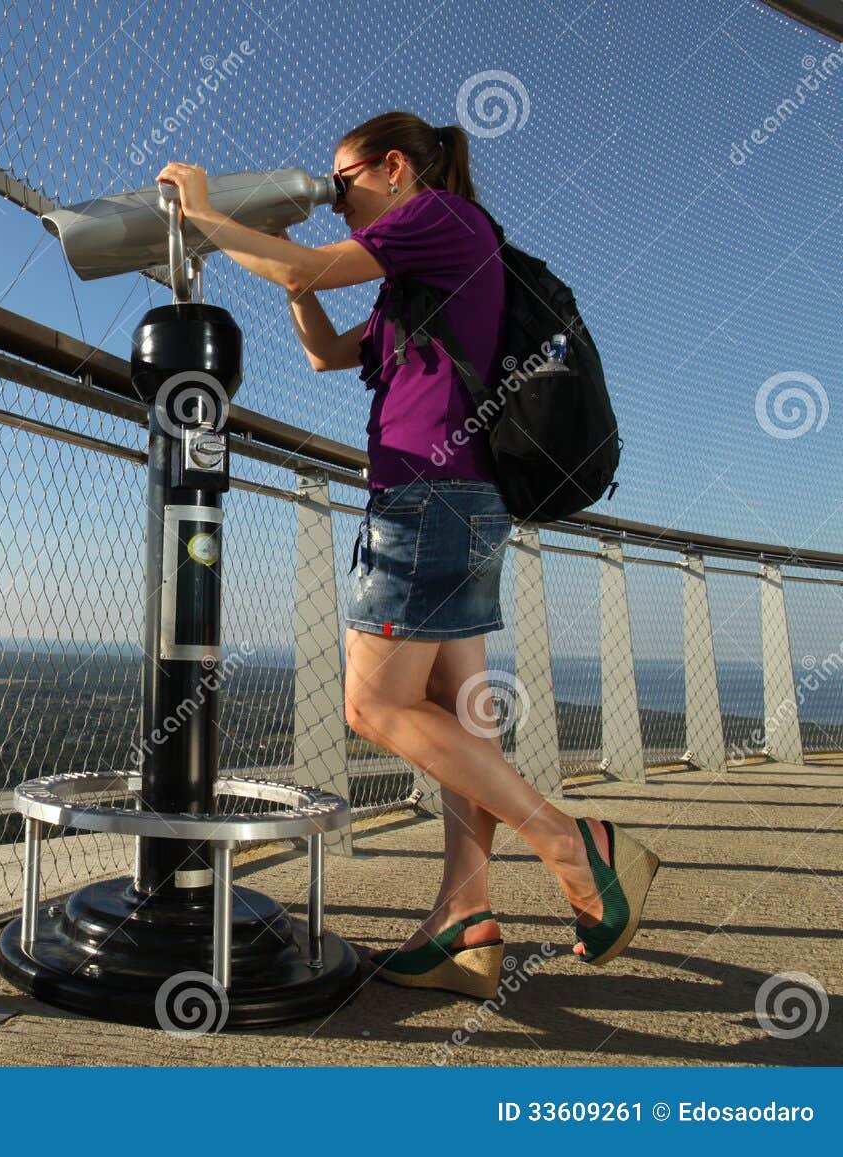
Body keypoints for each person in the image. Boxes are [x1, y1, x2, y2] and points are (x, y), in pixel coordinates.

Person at [155, 112, 658, 998]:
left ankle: (577, 846)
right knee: (460, 716)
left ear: (394, 169)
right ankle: (465, 918)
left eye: (341, 181)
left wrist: (202, 212)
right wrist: (282, 267)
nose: (335, 197)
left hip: (427, 501)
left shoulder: (439, 219)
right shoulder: (415, 272)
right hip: (454, 502)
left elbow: (311, 262)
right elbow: (324, 353)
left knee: (373, 705)